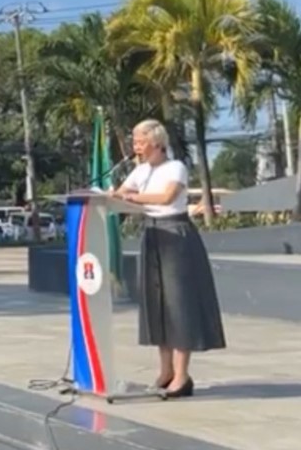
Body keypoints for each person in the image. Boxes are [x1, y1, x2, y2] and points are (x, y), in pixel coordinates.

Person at [114, 119, 225, 398]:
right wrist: (113, 195)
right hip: (151, 235)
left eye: (140, 141)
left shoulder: (175, 167)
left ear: (156, 142)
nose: (135, 146)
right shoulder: (140, 171)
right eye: (134, 141)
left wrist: (133, 196)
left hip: (176, 235)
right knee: (158, 305)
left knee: (179, 304)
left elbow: (166, 197)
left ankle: (182, 376)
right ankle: (164, 372)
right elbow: (121, 195)